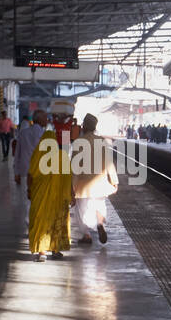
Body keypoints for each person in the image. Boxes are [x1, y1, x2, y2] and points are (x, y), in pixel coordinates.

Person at [27, 119, 73, 262]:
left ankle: (42, 252)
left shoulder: (37, 155)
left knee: (40, 220)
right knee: (57, 220)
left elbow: (30, 175)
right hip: (58, 196)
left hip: (40, 195)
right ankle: (56, 249)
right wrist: (72, 194)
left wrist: (28, 190)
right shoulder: (62, 157)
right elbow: (69, 177)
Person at [70, 114, 119, 246]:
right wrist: (114, 180)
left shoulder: (79, 142)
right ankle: (100, 223)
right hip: (100, 183)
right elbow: (109, 162)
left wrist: (71, 186)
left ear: (84, 126)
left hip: (83, 184)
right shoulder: (101, 141)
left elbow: (75, 167)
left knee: (82, 210)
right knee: (99, 206)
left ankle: (86, 235)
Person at [12, 110, 46, 187]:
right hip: (39, 172)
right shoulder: (45, 135)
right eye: (45, 117)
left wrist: (16, 173)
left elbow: (17, 154)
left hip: (25, 171)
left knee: (24, 197)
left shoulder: (23, 133)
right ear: (39, 119)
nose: (47, 120)